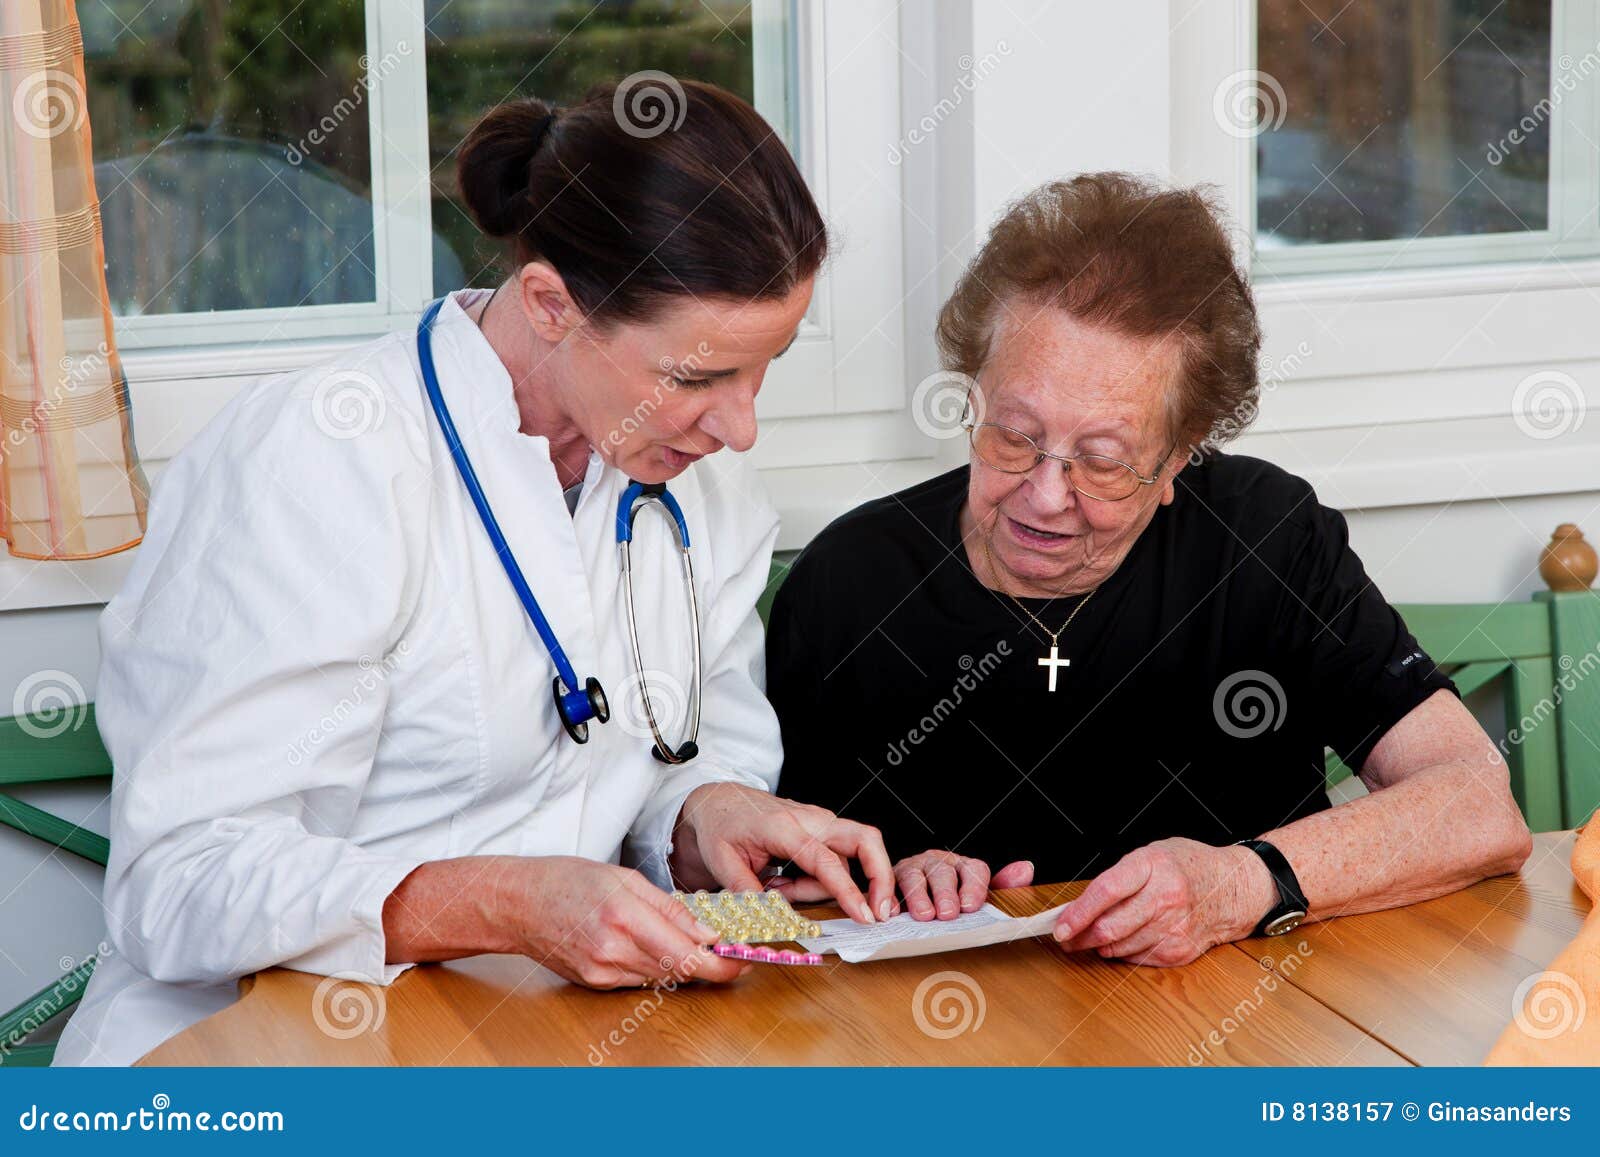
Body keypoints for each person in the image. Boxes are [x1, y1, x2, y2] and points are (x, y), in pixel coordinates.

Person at [56, 80, 895, 1067]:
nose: (739, 425)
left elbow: (676, 766)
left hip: (548, 1042)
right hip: (252, 1049)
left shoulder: (696, 487)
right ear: (549, 304)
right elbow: (181, 880)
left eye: (767, 367)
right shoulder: (319, 458)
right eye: (695, 377)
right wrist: (501, 896)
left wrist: (711, 818)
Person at [768, 173, 1533, 965]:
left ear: (1179, 453)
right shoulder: (847, 584)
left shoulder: (1263, 536)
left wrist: (1242, 883)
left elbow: (1476, 804)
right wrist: (888, 882)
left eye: (1102, 461)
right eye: (1013, 435)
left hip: (1251, 1025)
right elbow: (780, 887)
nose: (1044, 494)